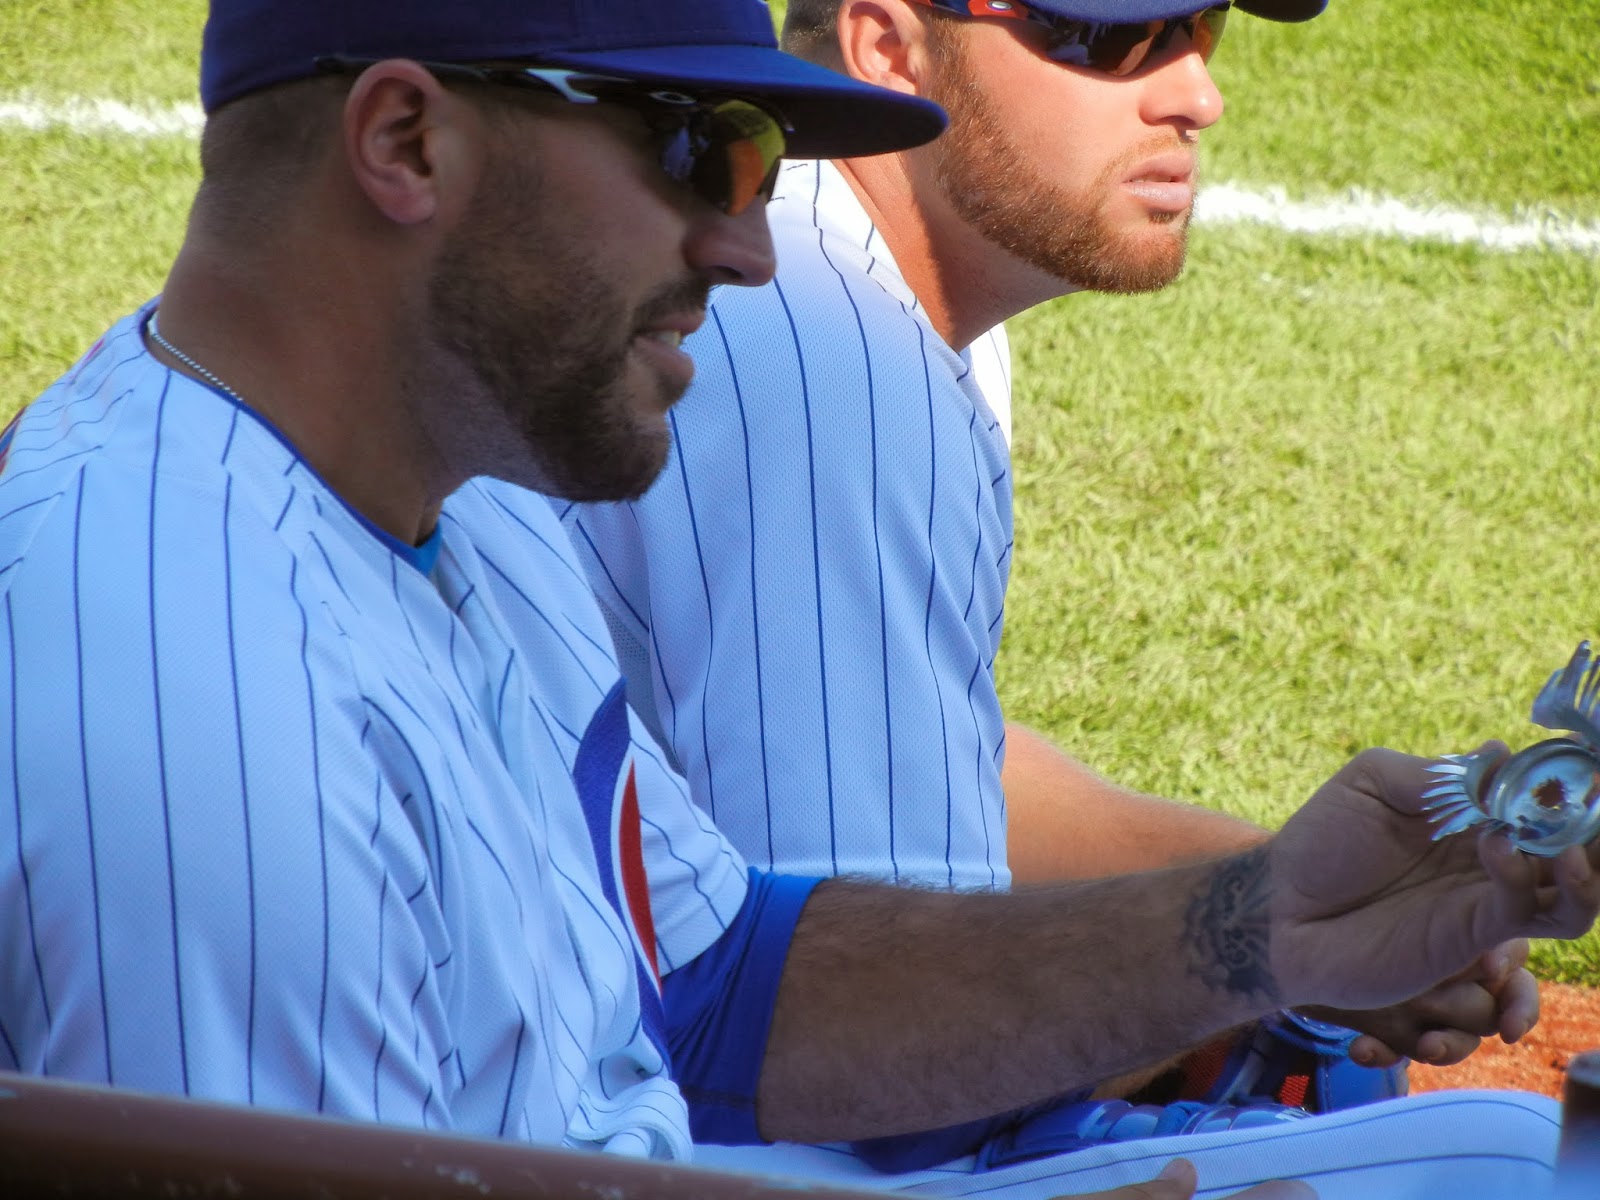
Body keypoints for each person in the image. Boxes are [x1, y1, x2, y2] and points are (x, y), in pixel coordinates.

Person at [0, 2, 1594, 1199]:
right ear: (407, 141)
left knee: (1515, 1166)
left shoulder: (464, 490)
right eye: (704, 147)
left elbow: (722, 992)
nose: (753, 244)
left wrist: (1257, 933)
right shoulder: (199, 700)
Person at [555, 0, 1513, 1155]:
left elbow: (946, 757)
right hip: (665, 1137)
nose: (1193, 97)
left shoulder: (888, 294)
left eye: (1199, 28)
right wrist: (1258, 959)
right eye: (1107, 38)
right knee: (1482, 1159)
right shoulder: (830, 356)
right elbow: (873, 1070)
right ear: (885, 48)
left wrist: (1302, 893)